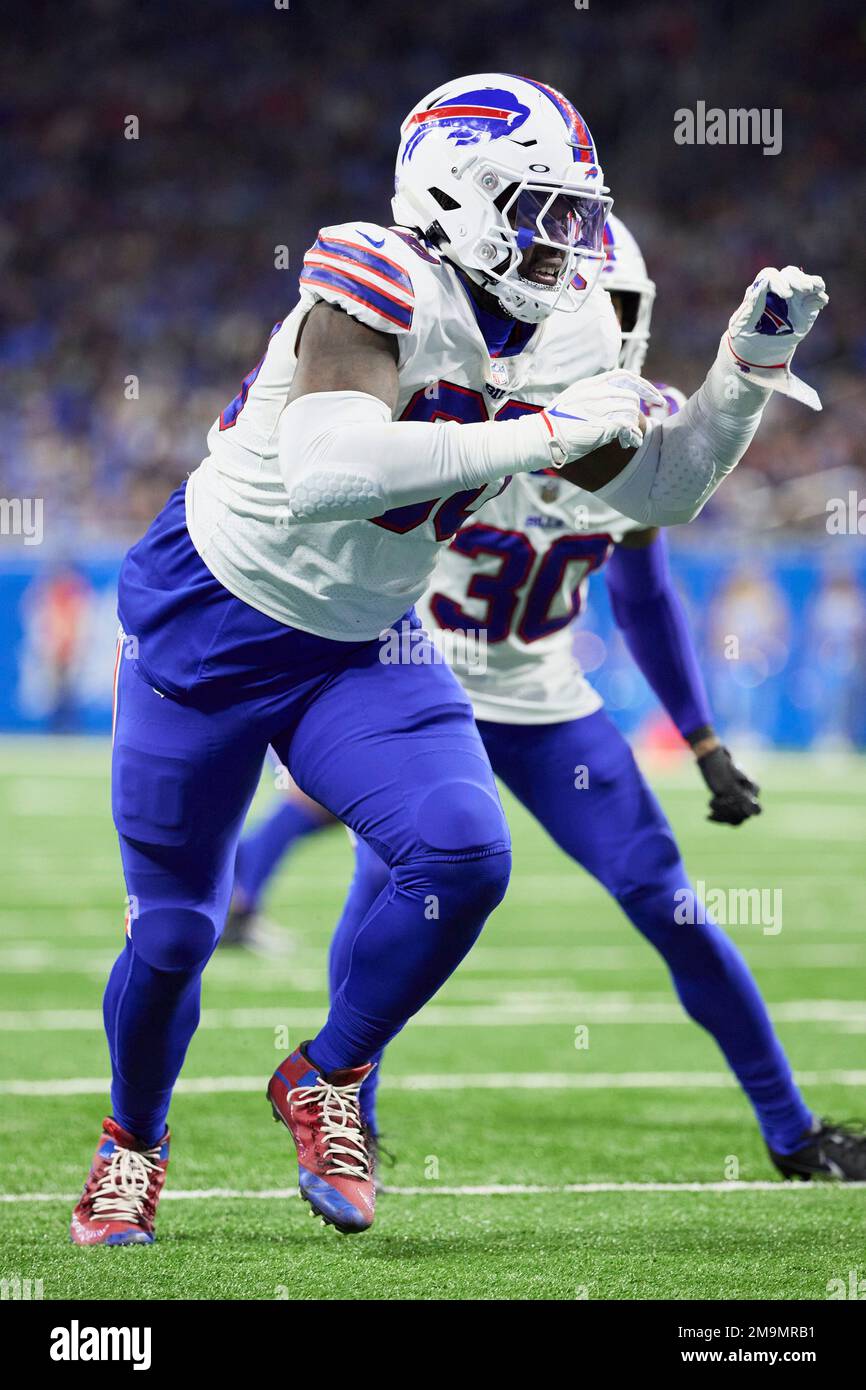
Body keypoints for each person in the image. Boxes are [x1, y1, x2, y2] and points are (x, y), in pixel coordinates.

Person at [71, 75, 827, 1245]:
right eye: (542, 210)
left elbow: (661, 491)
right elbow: (329, 470)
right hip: (215, 613)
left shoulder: (562, 328)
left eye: (578, 217)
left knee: (464, 854)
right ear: (456, 191)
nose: (565, 245)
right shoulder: (374, 269)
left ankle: (326, 1073)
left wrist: (741, 375)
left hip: (369, 635)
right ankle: (131, 1143)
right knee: (174, 931)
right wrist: (541, 431)